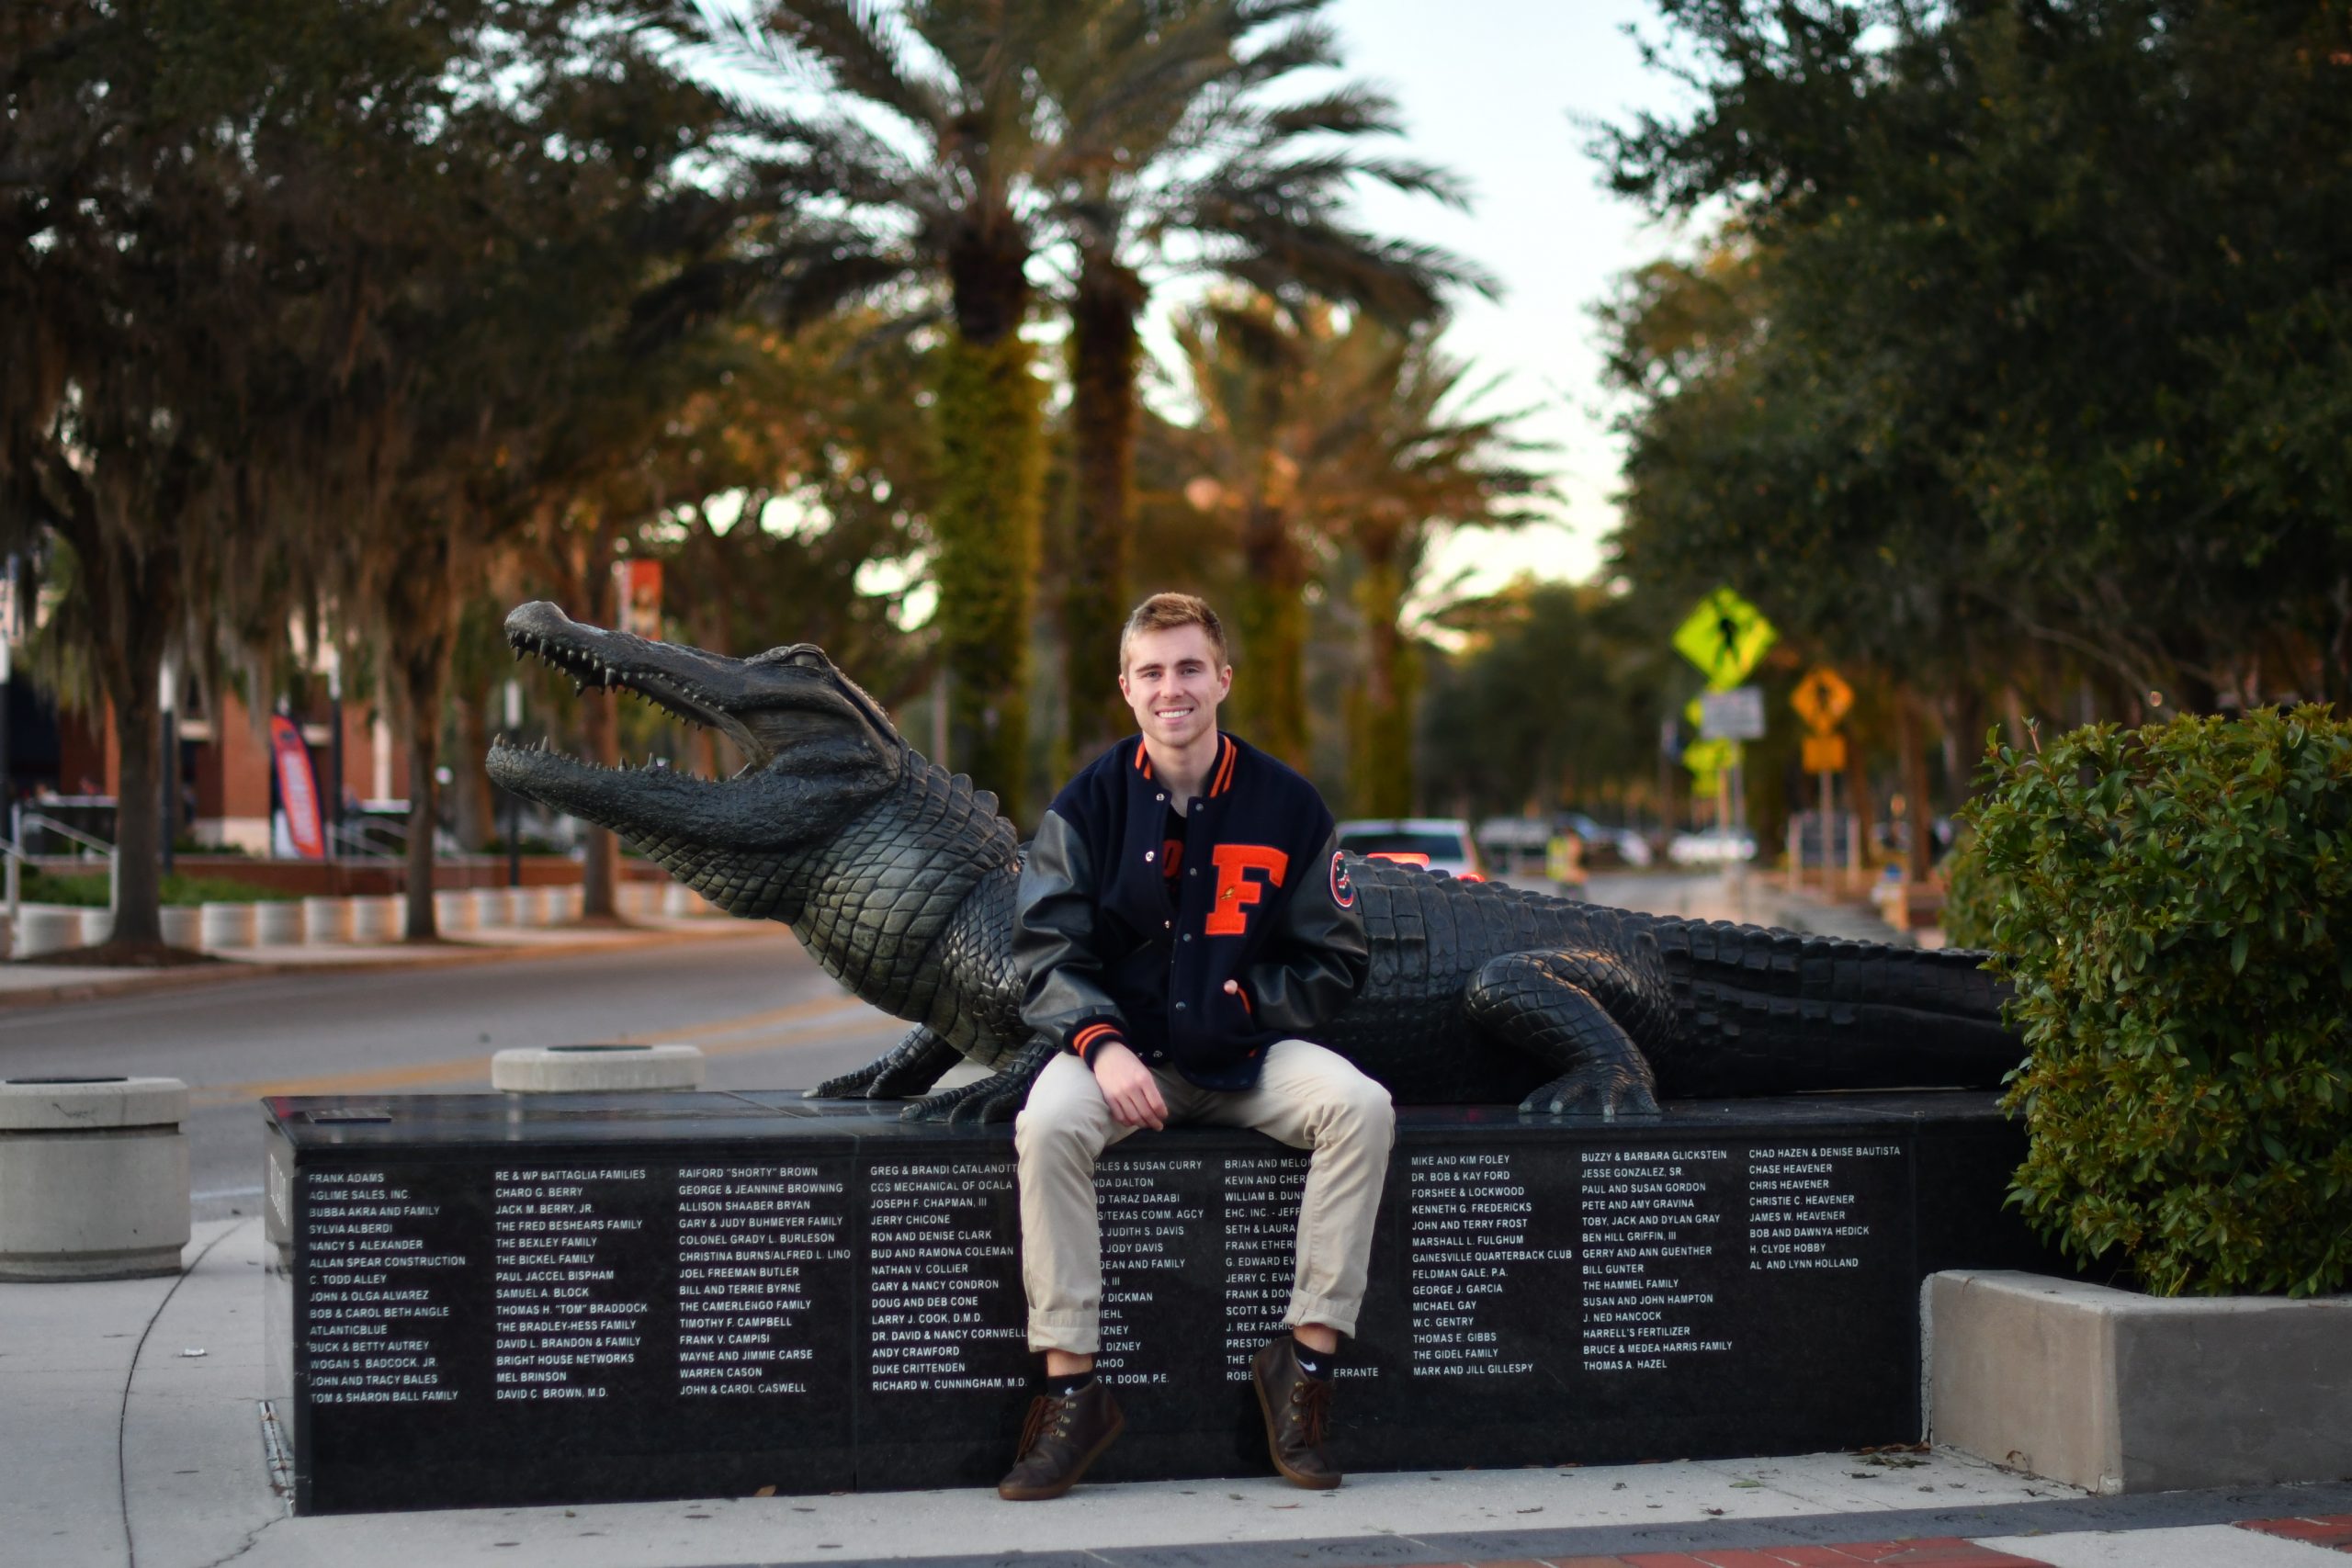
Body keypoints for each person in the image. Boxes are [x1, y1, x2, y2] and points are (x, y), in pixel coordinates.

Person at [1000, 592, 1387, 1502]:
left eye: (1187, 668)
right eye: (1151, 671)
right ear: (1126, 688)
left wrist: (1243, 1003)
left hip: (1247, 1057)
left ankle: (1305, 1365)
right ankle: (1071, 1393)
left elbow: (1335, 957)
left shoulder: (1287, 804)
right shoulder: (1087, 804)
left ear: (1221, 679)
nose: (1170, 687)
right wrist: (1101, 1046)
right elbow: (1044, 949)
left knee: (1361, 1106)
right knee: (1046, 1125)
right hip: (1123, 1058)